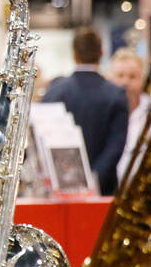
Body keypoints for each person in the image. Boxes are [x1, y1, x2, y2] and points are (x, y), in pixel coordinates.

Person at [41, 27, 128, 194]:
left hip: (61, 188)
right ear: (102, 52)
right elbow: (116, 145)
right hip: (104, 188)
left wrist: (66, 177)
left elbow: (46, 139)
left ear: (74, 54)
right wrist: (94, 179)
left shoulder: (55, 91)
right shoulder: (116, 95)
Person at [109, 48, 151, 183]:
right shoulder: (104, 114)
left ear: (142, 80)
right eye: (120, 76)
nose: (125, 82)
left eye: (132, 77)